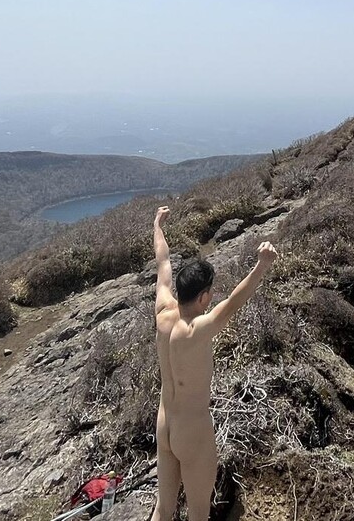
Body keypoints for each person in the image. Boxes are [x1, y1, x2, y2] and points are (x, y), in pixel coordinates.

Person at [150, 206, 278, 521]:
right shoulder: (197, 328)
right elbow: (235, 301)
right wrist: (262, 265)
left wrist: (157, 224)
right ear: (204, 297)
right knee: (198, 515)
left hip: (164, 424)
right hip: (192, 431)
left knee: (163, 510)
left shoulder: (163, 311)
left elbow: (163, 259)